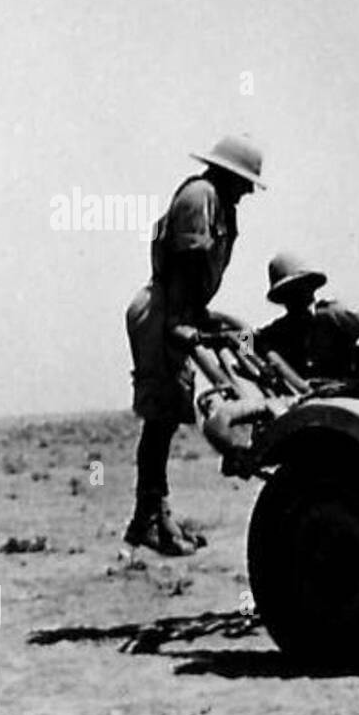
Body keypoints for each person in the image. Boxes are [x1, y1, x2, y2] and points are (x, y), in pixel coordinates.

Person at [124, 135, 265, 555]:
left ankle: (155, 517)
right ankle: (149, 519)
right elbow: (186, 262)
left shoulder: (221, 205)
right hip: (163, 311)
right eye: (243, 182)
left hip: (185, 309)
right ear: (227, 174)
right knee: (161, 416)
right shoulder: (201, 195)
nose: (246, 192)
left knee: (242, 339)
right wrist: (181, 324)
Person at [255, 252, 359, 378]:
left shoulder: (333, 315)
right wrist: (256, 364)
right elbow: (246, 337)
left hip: (346, 394)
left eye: (299, 287)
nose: (294, 295)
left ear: (310, 286)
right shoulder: (282, 329)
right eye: (286, 291)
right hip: (306, 400)